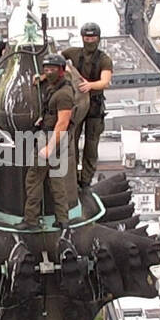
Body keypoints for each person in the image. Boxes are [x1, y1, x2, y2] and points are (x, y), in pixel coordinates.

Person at [18, 53, 78, 231]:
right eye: (46, 69)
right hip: (53, 136)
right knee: (57, 180)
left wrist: (48, 147)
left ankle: (31, 220)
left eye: (52, 69)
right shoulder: (58, 85)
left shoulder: (64, 94)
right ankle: (63, 219)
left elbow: (63, 122)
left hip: (52, 139)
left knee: (33, 179)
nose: (48, 72)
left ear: (60, 70)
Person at [61, 21, 113, 189]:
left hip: (94, 107)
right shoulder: (73, 53)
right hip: (76, 105)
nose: (90, 40)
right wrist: (67, 71)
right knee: (72, 143)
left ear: (98, 38)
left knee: (91, 146)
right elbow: (58, 59)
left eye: (93, 37)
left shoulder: (104, 59)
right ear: (82, 38)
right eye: (87, 37)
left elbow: (105, 82)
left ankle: (85, 181)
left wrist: (90, 85)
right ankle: (73, 178)